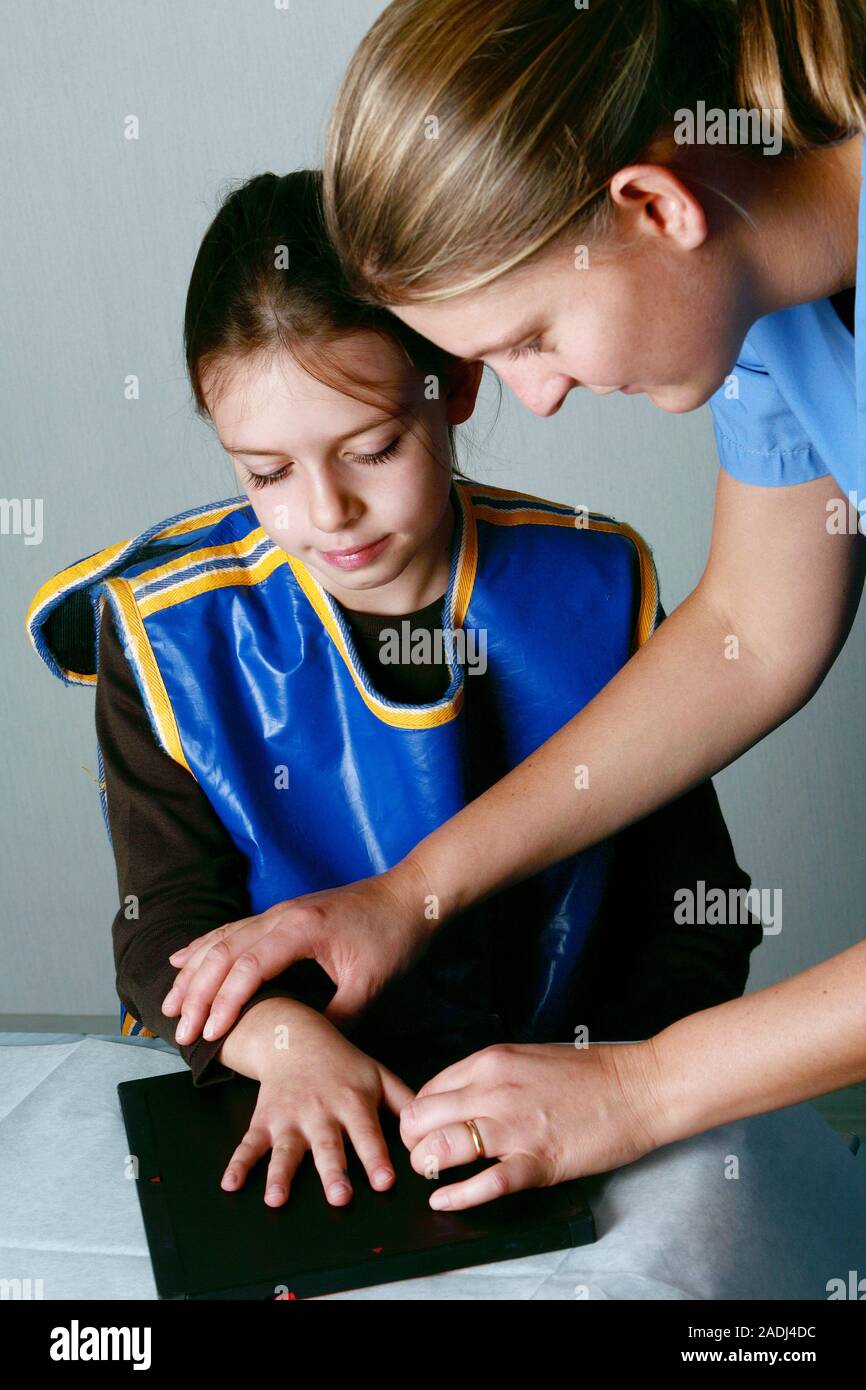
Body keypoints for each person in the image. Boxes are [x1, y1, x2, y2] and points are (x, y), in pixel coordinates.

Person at [163, 0, 866, 1214]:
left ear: (654, 207)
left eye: (532, 334)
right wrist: (407, 895)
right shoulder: (760, 292)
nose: (534, 399)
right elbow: (751, 633)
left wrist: (646, 1083)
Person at [26, 169, 762, 1210]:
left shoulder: (591, 588)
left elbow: (699, 912)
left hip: (566, 1112)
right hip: (292, 1108)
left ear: (456, 385)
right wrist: (285, 1043)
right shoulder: (167, 632)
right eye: (265, 473)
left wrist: (605, 1075)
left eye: (371, 447)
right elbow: (161, 924)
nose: (326, 511)